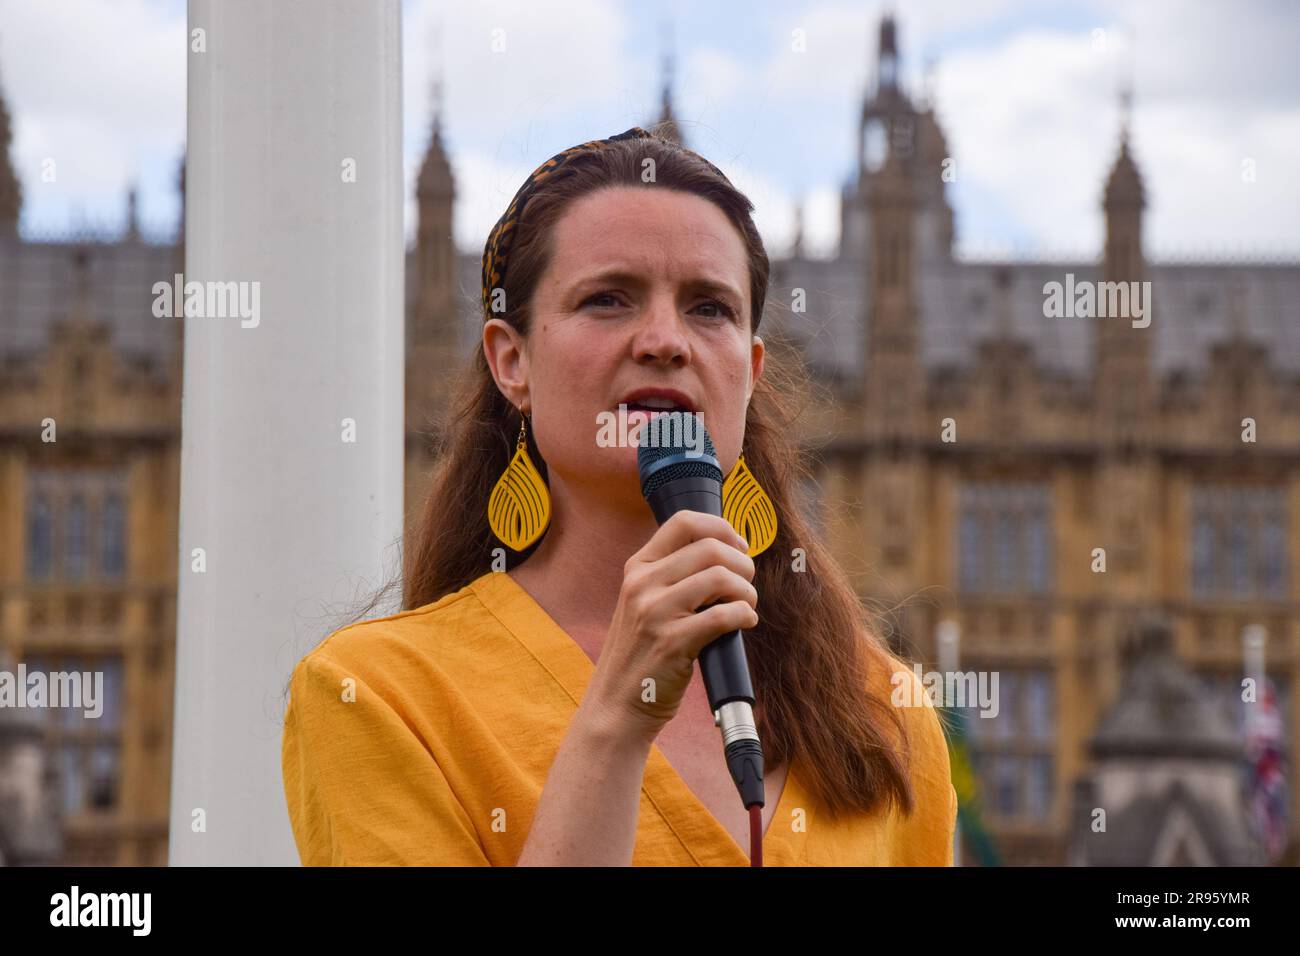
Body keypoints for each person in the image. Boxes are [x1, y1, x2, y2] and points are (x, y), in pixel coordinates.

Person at [281, 127, 957, 866]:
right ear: (512, 362)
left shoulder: (883, 710)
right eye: (608, 299)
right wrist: (613, 720)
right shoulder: (377, 695)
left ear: (751, 370)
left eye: (709, 309)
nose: (666, 339)